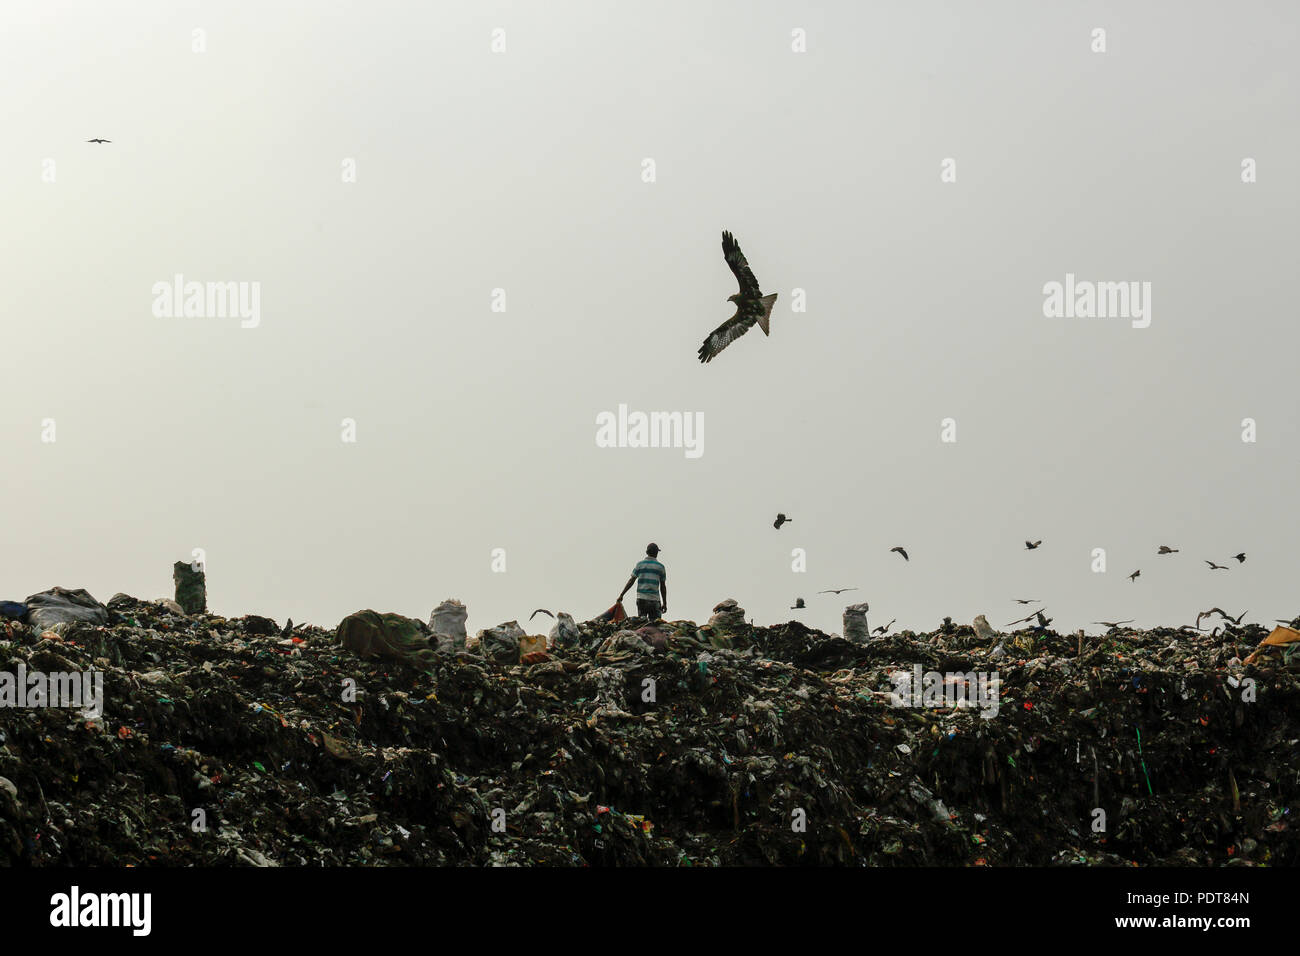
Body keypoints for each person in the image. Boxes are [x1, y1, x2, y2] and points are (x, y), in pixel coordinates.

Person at [619, 543, 667, 620]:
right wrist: (664, 603)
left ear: (647, 552)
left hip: (642, 599)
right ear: (656, 553)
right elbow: (663, 587)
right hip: (654, 600)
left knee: (642, 623)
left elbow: (631, 581)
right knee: (655, 625)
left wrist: (622, 594)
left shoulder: (640, 565)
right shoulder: (660, 567)